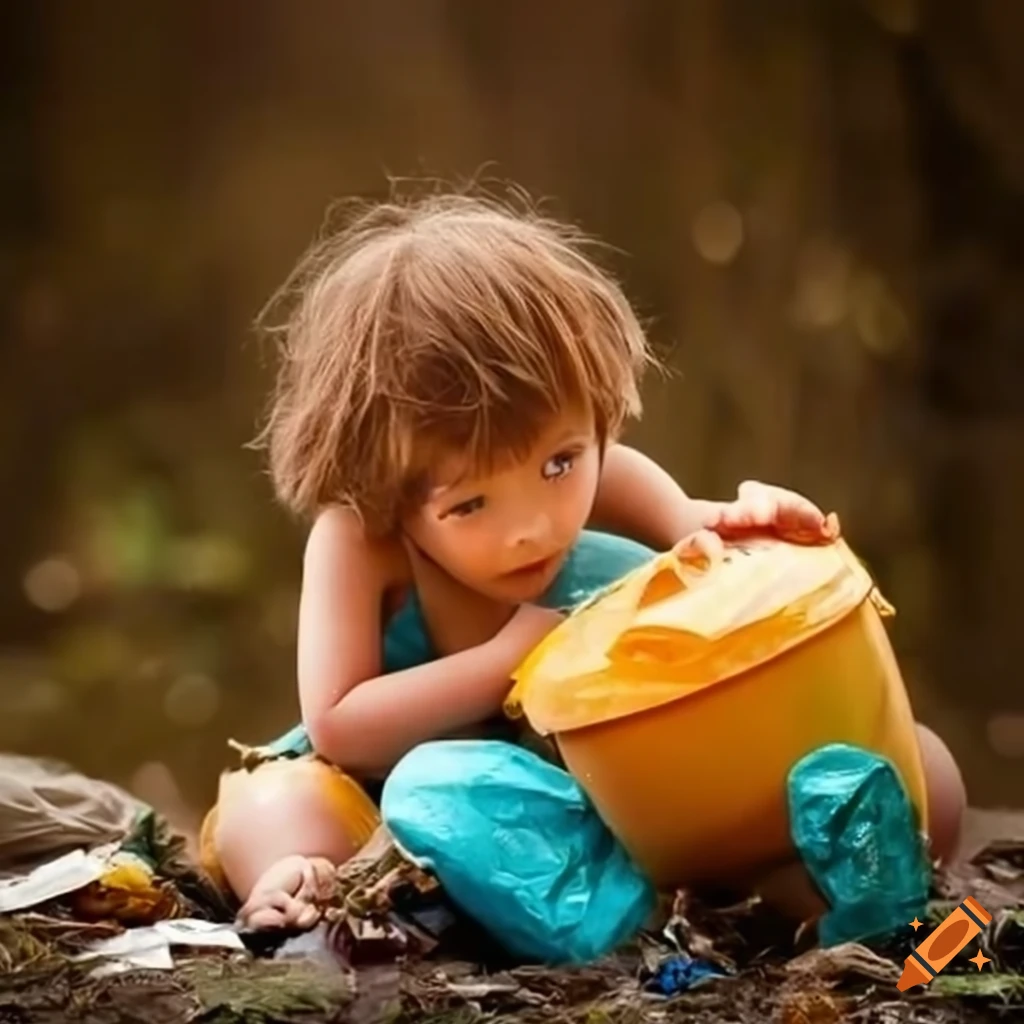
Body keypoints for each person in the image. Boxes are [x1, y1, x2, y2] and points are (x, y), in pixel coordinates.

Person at [202, 193, 965, 930]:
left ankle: (747, 873)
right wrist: (505, 658)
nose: (534, 528)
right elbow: (337, 722)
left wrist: (753, 526)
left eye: (561, 464)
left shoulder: (611, 472)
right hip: (394, 800)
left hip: (594, 790)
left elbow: (698, 540)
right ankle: (300, 880)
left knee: (924, 774)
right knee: (275, 807)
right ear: (385, 486)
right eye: (471, 505)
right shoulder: (358, 537)